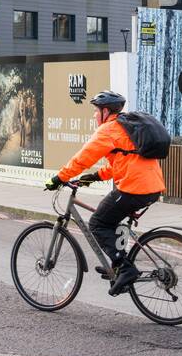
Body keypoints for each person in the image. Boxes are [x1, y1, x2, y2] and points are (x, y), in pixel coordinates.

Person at [44, 91, 165, 296]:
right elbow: (124, 162)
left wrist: (59, 178)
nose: (93, 115)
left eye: (95, 111)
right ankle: (118, 265)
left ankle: (124, 268)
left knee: (98, 223)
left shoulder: (108, 130)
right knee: (113, 218)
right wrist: (94, 177)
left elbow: (82, 159)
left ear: (105, 111)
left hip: (133, 188)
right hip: (152, 187)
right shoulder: (127, 129)